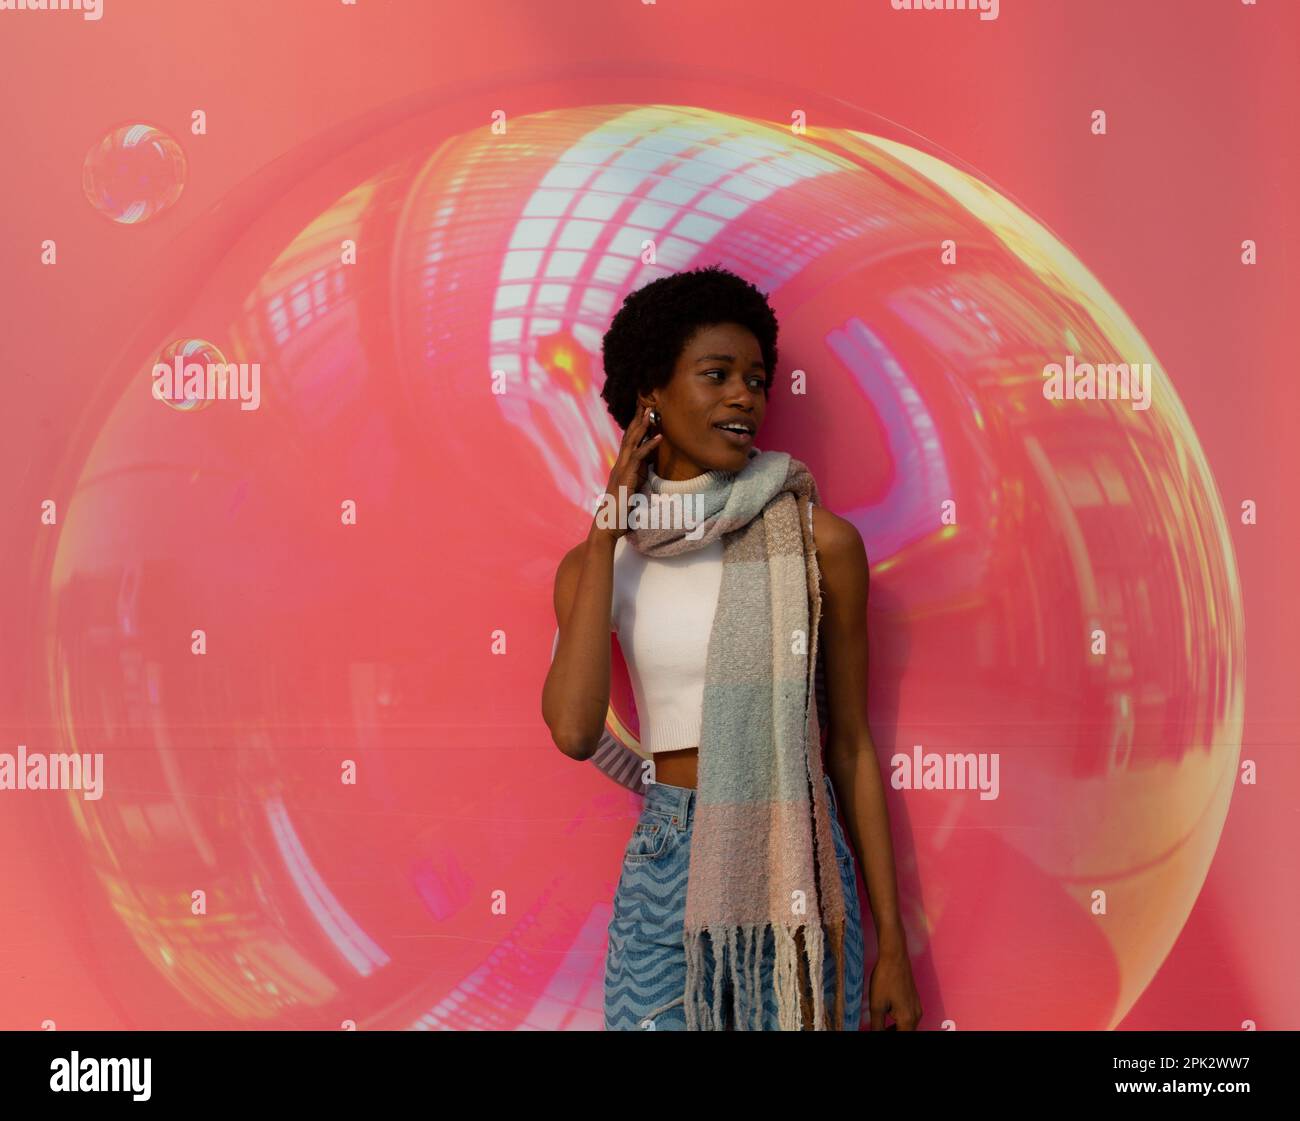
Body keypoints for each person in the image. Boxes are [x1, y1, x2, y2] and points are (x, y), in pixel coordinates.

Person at [541, 264, 921, 1031]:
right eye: (716, 375)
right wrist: (609, 520)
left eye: (756, 377)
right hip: (667, 856)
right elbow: (576, 729)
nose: (746, 395)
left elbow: (847, 748)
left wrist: (894, 944)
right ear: (650, 392)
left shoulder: (822, 543)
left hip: (796, 866)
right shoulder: (598, 562)